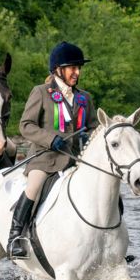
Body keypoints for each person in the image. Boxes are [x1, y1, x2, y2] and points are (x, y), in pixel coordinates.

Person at [8, 42, 98, 258]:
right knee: (34, 187)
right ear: (58, 69)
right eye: (72, 68)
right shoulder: (41, 92)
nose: (77, 72)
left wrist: (91, 136)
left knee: (104, 190)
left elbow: (94, 126)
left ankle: (110, 241)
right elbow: (26, 125)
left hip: (77, 160)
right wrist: (50, 139)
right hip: (45, 158)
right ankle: (15, 236)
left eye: (78, 68)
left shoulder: (85, 98)